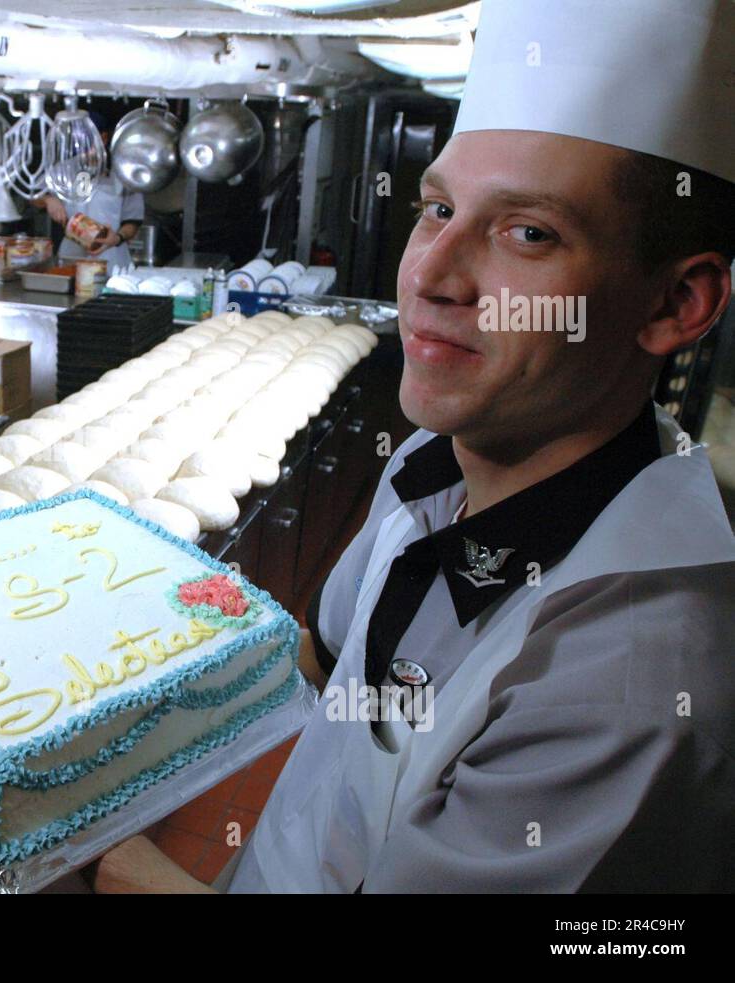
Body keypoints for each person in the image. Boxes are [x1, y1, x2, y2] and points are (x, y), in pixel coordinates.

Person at [95, 0, 735, 893]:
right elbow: (325, 664)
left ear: (676, 306)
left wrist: (102, 858)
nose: (430, 274)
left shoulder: (623, 695)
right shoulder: (431, 468)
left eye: (529, 233)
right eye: (438, 209)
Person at [31, 111, 143, 271]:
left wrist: (117, 238)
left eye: (89, 142)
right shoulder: (65, 169)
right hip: (72, 255)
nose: (83, 149)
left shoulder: (123, 173)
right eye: (79, 142)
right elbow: (32, 195)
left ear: (103, 138)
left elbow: (133, 221)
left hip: (111, 260)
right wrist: (48, 199)